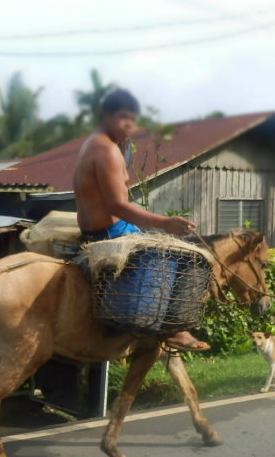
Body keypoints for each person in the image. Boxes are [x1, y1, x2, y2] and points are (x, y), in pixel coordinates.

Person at [73, 88, 209, 352]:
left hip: (101, 228)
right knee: (182, 254)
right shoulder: (107, 150)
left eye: (134, 120)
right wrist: (165, 223)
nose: (130, 125)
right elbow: (117, 205)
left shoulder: (97, 144)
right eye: (124, 117)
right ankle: (175, 330)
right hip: (113, 231)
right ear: (106, 115)